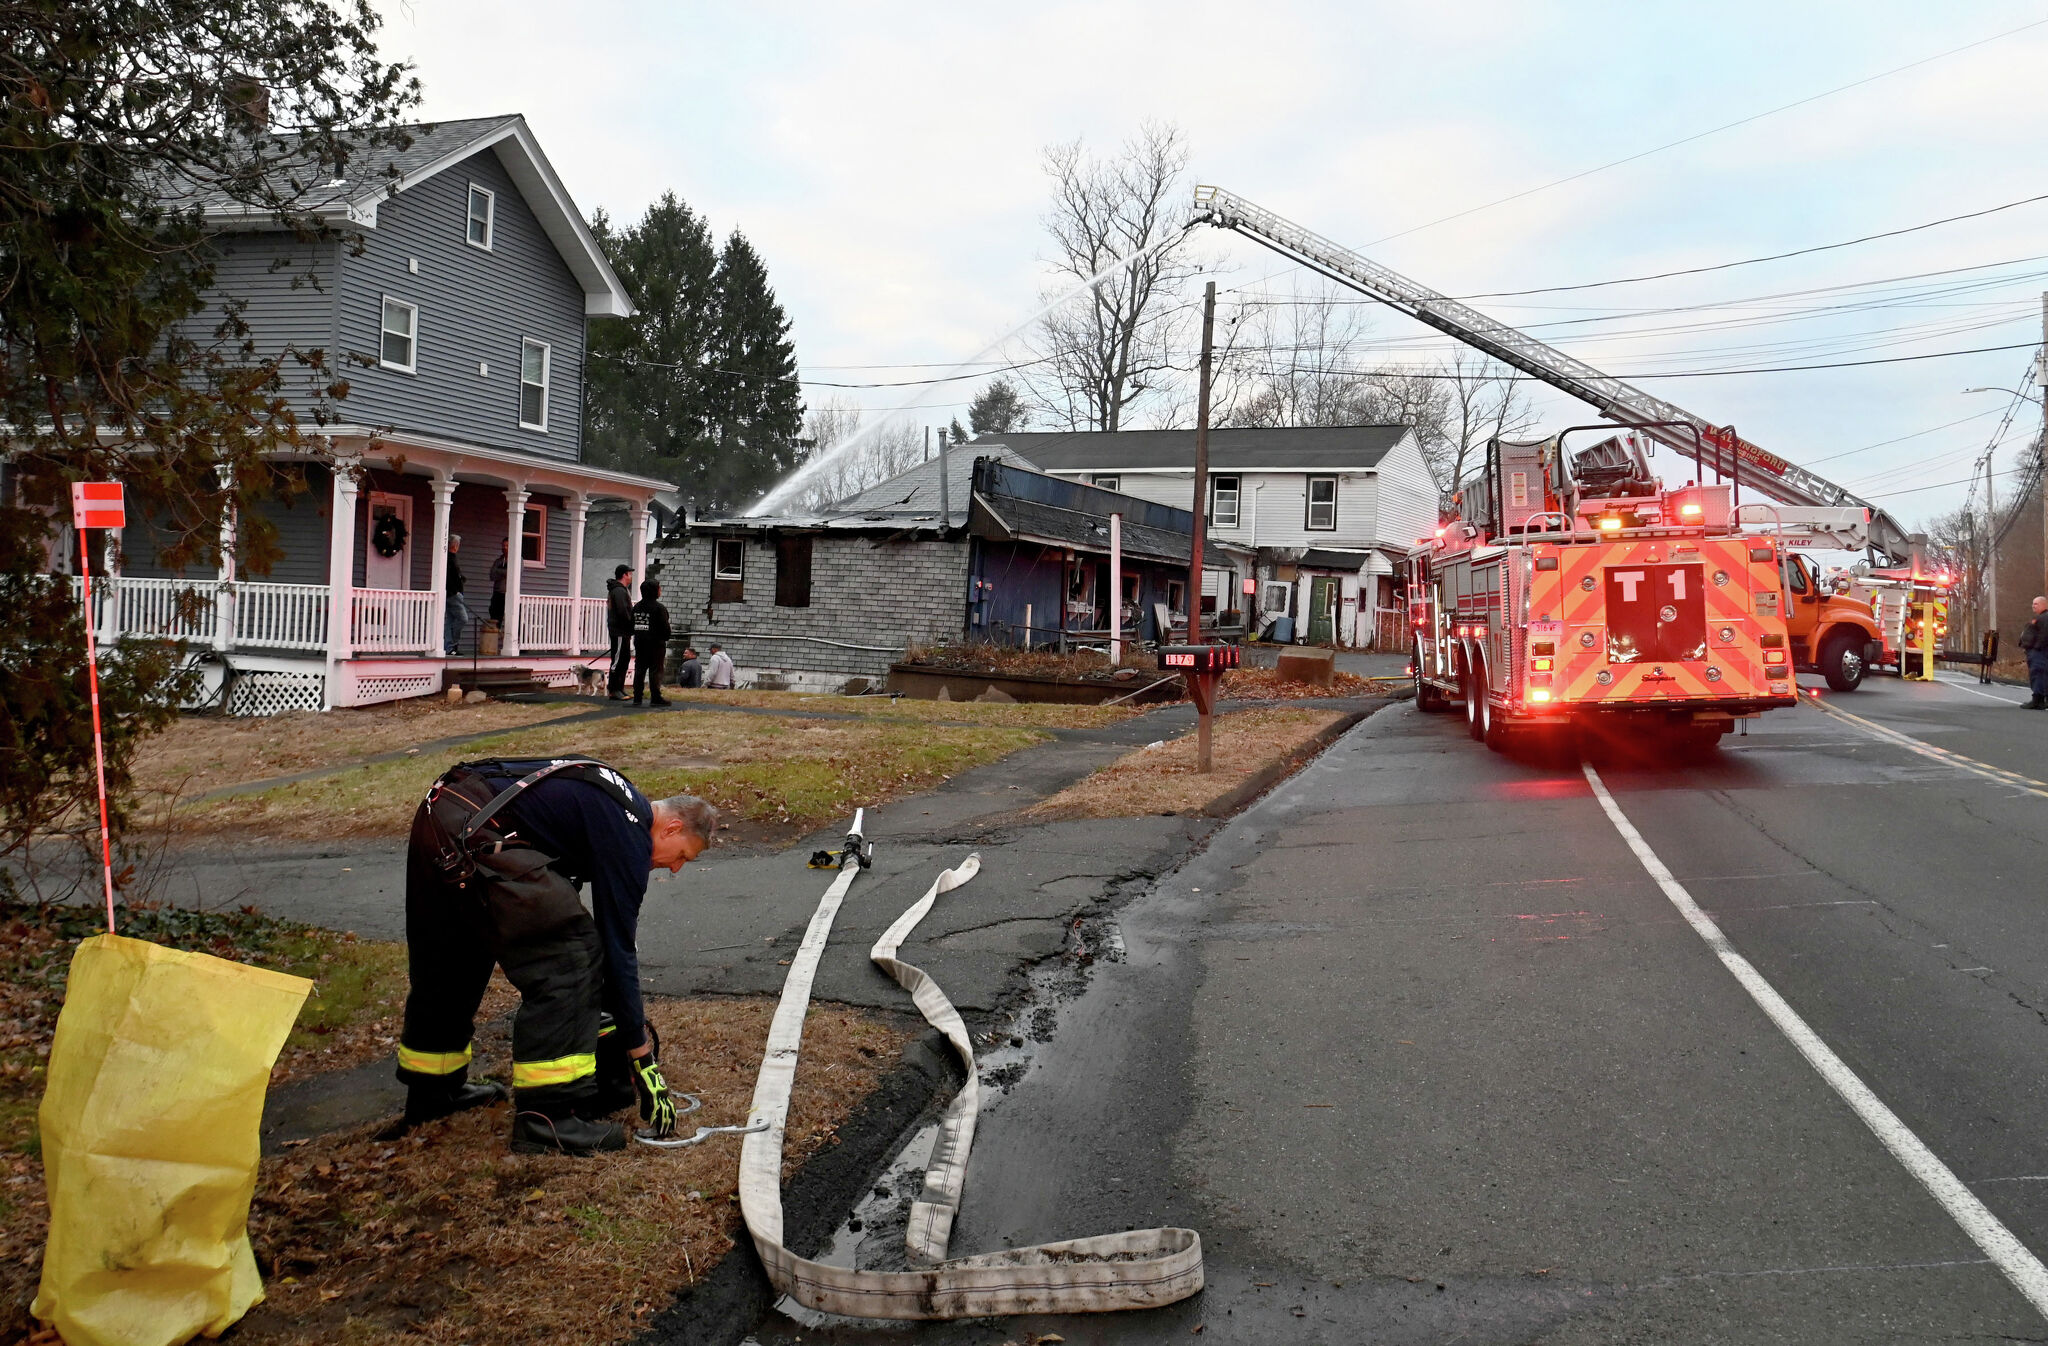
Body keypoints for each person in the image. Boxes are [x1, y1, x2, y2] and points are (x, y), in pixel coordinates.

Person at [394, 754, 717, 1155]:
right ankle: (548, 1117)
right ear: (671, 826)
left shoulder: (612, 793)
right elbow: (617, 950)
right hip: (477, 831)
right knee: (572, 957)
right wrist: (641, 1057)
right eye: (683, 855)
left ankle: (432, 1093)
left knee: (453, 956)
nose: (676, 869)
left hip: (443, 812)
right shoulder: (630, 832)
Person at [631, 579, 672, 707]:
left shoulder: (637, 607)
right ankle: (655, 697)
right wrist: (665, 637)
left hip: (640, 642)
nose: (661, 590)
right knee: (655, 671)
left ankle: (637, 697)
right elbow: (665, 629)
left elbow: (631, 625)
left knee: (639, 670)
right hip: (656, 645)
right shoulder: (659, 608)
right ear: (655, 591)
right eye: (659, 588)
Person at [606, 564, 634, 700]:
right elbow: (623, 611)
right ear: (624, 575)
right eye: (630, 573)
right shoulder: (618, 591)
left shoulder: (621, 590)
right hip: (619, 631)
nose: (631, 576)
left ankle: (619, 688)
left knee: (624, 658)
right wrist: (630, 624)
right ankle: (613, 689)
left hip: (624, 631)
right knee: (617, 660)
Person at [443, 533, 468, 656]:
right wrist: (456, 591)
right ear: (455, 545)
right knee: (463, 619)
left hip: (451, 594)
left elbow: (453, 575)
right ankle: (453, 643)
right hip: (453, 595)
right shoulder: (449, 558)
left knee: (450, 620)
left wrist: (461, 578)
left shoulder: (450, 558)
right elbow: (448, 577)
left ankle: (448, 648)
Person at [2021, 595, 2048, 710]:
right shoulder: (2041, 618)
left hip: (2039, 652)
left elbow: (2044, 635)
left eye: (2036, 604)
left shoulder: (2044, 618)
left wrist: (2036, 647)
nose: (2033, 606)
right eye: (2033, 603)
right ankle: (2041, 699)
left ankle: (2038, 700)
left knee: (2037, 674)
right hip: (2038, 651)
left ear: (2044, 605)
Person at [488, 539, 510, 625]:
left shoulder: (517, 560)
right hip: (497, 593)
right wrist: (504, 572)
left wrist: (499, 571)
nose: (504, 548)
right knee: (494, 615)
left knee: (511, 618)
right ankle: (495, 636)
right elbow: (492, 575)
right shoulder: (499, 561)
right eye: (503, 545)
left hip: (508, 594)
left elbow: (512, 573)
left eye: (507, 546)